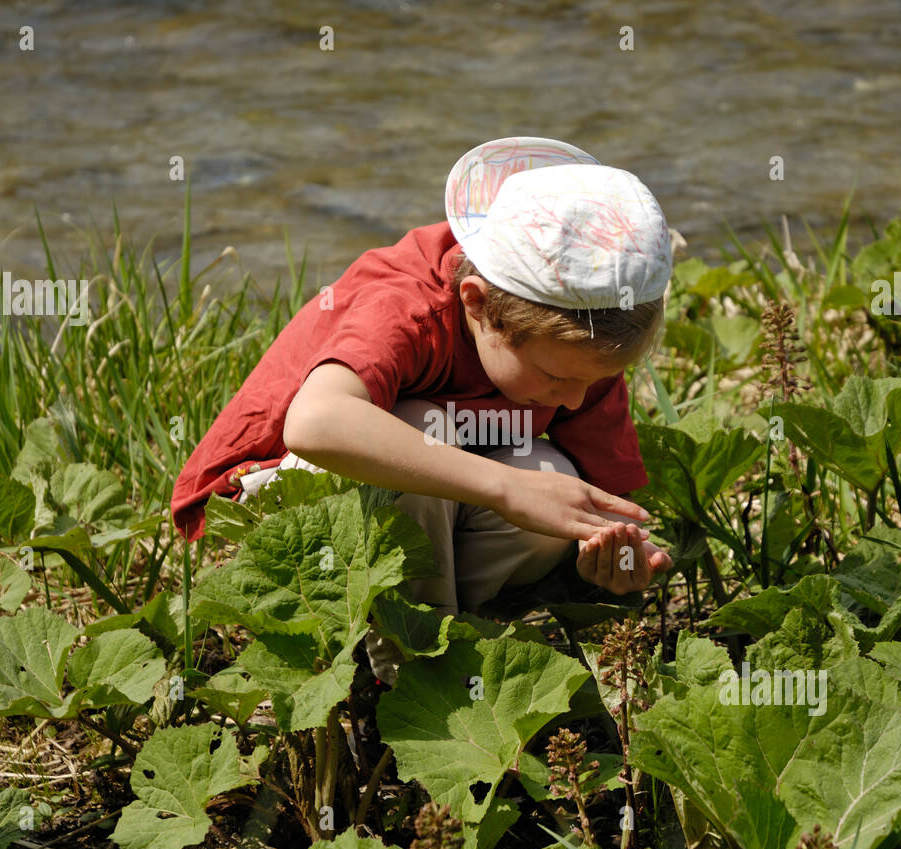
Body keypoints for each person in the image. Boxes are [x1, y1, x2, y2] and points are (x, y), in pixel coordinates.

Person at [171, 136, 675, 684]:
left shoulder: (579, 342)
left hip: (429, 504)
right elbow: (316, 423)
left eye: (595, 380)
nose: (577, 400)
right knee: (420, 429)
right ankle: (407, 676)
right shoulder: (407, 305)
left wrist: (614, 557)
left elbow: (605, 503)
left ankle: (440, 638)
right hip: (279, 500)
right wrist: (507, 489)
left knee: (553, 479)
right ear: (477, 305)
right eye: (557, 377)